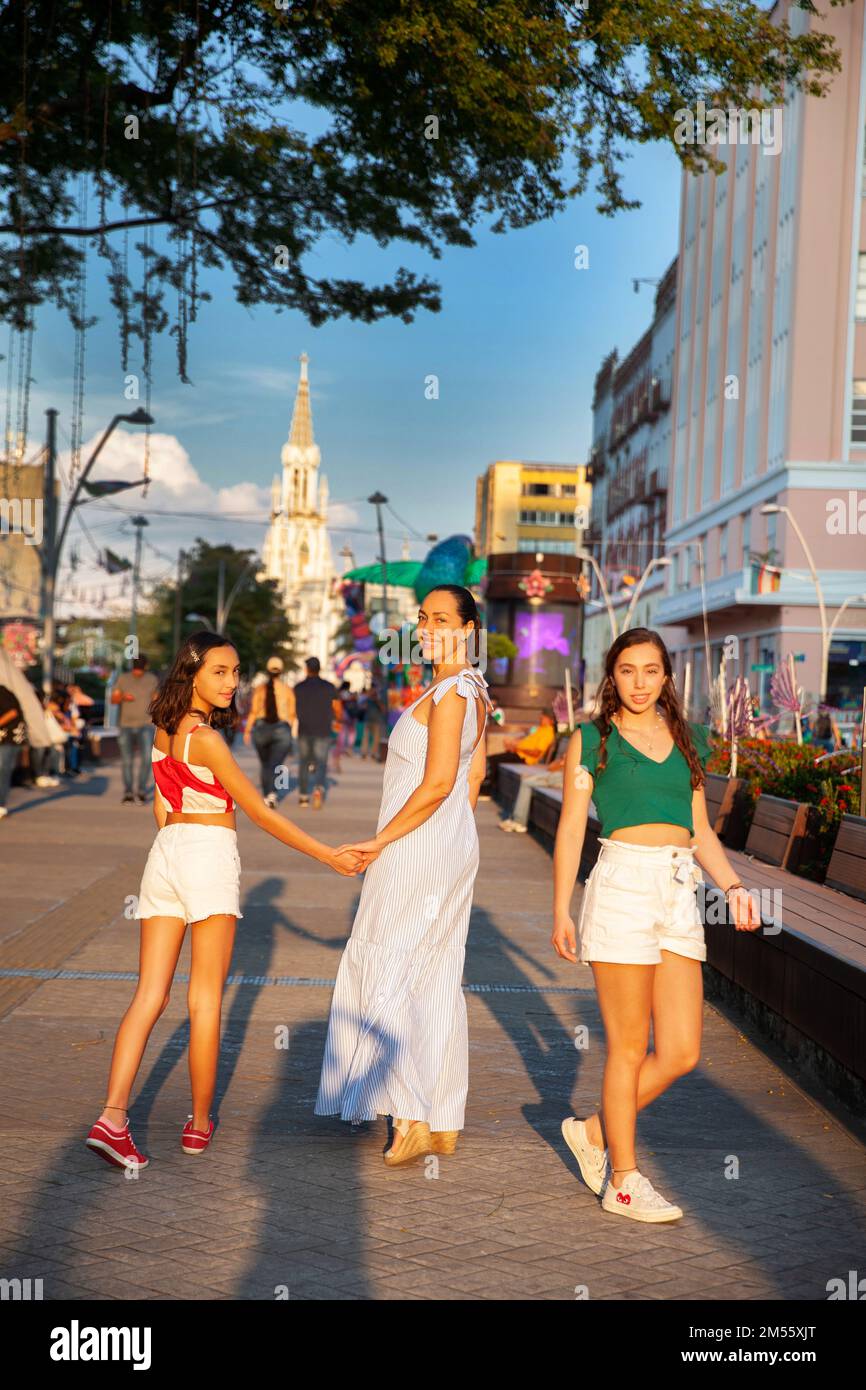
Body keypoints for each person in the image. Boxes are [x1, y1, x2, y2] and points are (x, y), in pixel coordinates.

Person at [84, 629, 366, 1173]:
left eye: (236, 672)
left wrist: (177, 841)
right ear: (191, 672)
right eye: (220, 671)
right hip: (208, 854)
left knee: (150, 994)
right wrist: (327, 855)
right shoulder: (207, 739)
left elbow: (161, 809)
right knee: (205, 998)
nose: (232, 681)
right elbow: (259, 812)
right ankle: (197, 1124)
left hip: (165, 853)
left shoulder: (166, 728)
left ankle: (112, 1118)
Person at [551, 627, 761, 1223]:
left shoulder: (690, 739)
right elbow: (571, 827)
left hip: (678, 891)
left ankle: (593, 1132)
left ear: (666, 675)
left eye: (650, 670)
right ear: (610, 676)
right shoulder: (591, 740)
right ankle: (623, 1179)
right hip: (620, 887)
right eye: (626, 670)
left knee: (681, 1051)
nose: (639, 683)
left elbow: (699, 833)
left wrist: (736, 889)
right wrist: (561, 907)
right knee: (627, 1047)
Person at [315, 585, 494, 1164]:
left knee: (390, 963)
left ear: (468, 629)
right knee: (435, 975)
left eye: (442, 619)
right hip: (442, 842)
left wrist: (382, 840)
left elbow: (441, 780)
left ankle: (411, 1112)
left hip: (417, 845)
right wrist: (453, 838)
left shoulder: (453, 694)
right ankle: (441, 1116)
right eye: (423, 618)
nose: (427, 627)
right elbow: (473, 776)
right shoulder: (468, 689)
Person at [243, 655, 296, 807]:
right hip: (282, 730)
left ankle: (267, 794)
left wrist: (247, 730)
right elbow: (292, 714)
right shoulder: (287, 690)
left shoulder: (260, 689)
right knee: (275, 763)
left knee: (265, 764)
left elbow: (253, 711)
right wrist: (291, 731)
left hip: (260, 729)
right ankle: (272, 793)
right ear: (281, 671)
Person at [112, 655, 158, 804]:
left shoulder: (152, 679)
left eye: (140, 668)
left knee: (146, 758)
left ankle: (141, 790)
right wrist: (123, 697)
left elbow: (156, 698)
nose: (137, 672)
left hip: (146, 724)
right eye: (135, 668)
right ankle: (128, 792)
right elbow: (113, 700)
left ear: (145, 667)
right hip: (125, 724)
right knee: (127, 760)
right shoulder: (123, 678)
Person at [294, 656, 336, 810]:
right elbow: (337, 707)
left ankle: (303, 796)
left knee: (304, 763)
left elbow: (294, 709)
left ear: (307, 669)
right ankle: (318, 790)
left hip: (304, 730)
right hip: (323, 730)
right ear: (319, 669)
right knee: (321, 763)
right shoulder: (329, 687)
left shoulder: (298, 687)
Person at [499, 742, 568, 833]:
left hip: (566, 777)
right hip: (559, 774)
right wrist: (563, 760)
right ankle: (516, 819)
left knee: (527, 782)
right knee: (526, 779)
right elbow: (551, 767)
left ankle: (519, 822)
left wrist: (565, 761)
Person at [0, 679, 26, 819]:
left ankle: (0, 804)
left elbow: (12, 713)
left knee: (3, 769)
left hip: (9, 737)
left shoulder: (2, 692)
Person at [359, 682, 386, 760]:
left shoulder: (379, 698)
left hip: (376, 721)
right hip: (368, 720)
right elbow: (362, 707)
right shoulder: (367, 698)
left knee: (376, 738)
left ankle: (373, 753)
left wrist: (376, 700)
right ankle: (364, 753)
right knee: (365, 738)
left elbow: (383, 709)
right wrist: (369, 698)